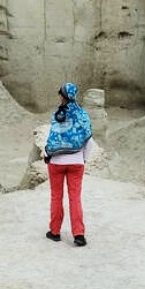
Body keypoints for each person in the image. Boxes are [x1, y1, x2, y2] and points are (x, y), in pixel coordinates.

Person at [43, 82, 95, 247]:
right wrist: (83, 159)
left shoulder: (57, 115)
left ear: (62, 96)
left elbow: (51, 139)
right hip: (77, 162)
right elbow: (90, 141)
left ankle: (55, 232)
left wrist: (48, 154)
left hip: (56, 163)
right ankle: (79, 234)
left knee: (56, 197)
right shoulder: (82, 115)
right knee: (75, 198)